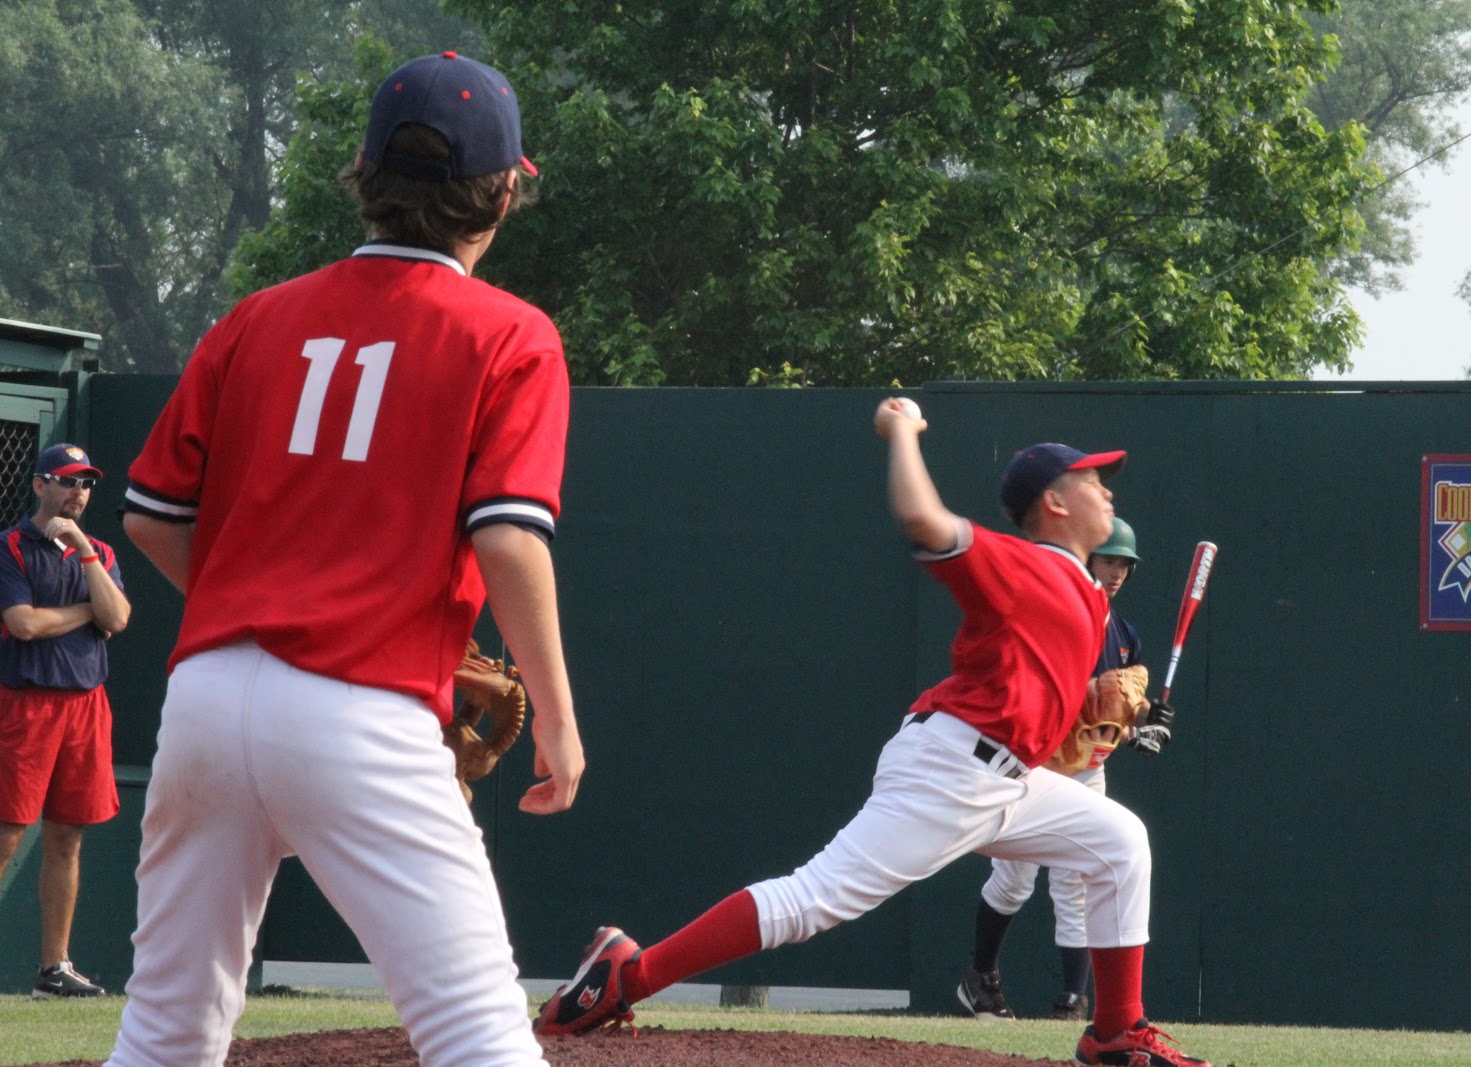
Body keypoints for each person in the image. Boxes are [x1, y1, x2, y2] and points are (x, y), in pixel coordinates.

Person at [107, 51, 584, 1067]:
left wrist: (262, 610)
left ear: (363, 171)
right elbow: (505, 534)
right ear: (504, 190)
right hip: (361, 709)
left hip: (203, 698)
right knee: (480, 1038)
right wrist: (561, 719)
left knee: (163, 1036)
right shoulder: (511, 335)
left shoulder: (255, 317)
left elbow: (151, 517)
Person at [534, 400, 1210, 1067]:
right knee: (810, 900)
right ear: (1054, 504)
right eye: (1092, 479)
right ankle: (627, 976)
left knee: (1120, 840)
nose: (1106, 488)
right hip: (950, 770)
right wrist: (902, 431)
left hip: (1007, 775)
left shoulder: (1087, 596)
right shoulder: (1025, 564)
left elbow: (1040, 707)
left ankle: (1116, 1033)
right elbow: (923, 520)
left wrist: (1117, 720)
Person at [958, 517, 1180, 1023]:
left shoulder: (1124, 634)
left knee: (1079, 881)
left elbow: (1116, 705)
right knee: (1013, 880)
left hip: (1083, 770)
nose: (1118, 571)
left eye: (1125, 563)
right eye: (1109, 559)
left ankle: (1073, 1000)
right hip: (1031, 764)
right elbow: (1064, 697)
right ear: (1086, 559)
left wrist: (1147, 719)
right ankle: (981, 977)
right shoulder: (1058, 616)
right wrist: (1112, 718)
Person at [0, 443, 131, 999]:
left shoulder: (95, 549)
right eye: (67, 481)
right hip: (25, 703)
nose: (78, 492)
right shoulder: (11, 546)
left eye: (86, 484)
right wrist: (85, 615)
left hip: (85, 704)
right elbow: (23, 624)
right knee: (6, 836)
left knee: (67, 836)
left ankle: (54, 970)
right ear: (39, 485)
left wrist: (83, 552)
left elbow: (119, 617)